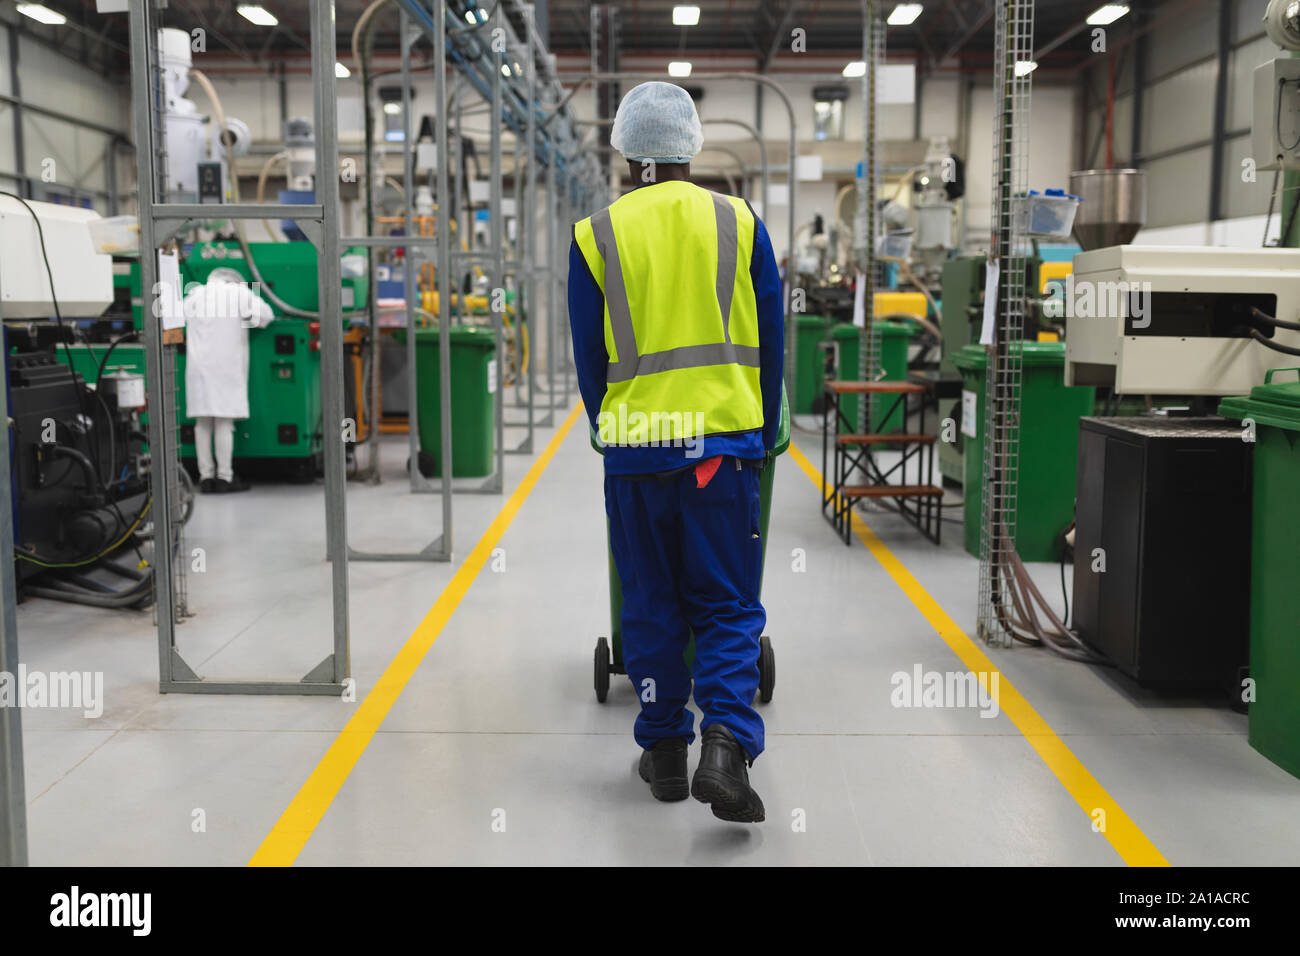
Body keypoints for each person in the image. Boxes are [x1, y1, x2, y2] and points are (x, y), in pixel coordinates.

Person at [568, 82, 785, 823]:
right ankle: (725, 744)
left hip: (635, 452)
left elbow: (589, 363)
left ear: (628, 150)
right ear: (694, 143)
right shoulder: (740, 220)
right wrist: (759, 428)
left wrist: (613, 427)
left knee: (651, 607)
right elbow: (774, 343)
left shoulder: (595, 233)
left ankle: (663, 752)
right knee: (725, 605)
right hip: (720, 448)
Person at [182, 267, 274, 493]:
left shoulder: (194, 295)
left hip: (198, 368)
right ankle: (225, 477)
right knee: (224, 423)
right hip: (226, 368)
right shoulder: (238, 294)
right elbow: (266, 316)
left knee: (202, 423)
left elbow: (174, 321)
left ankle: (205, 478)